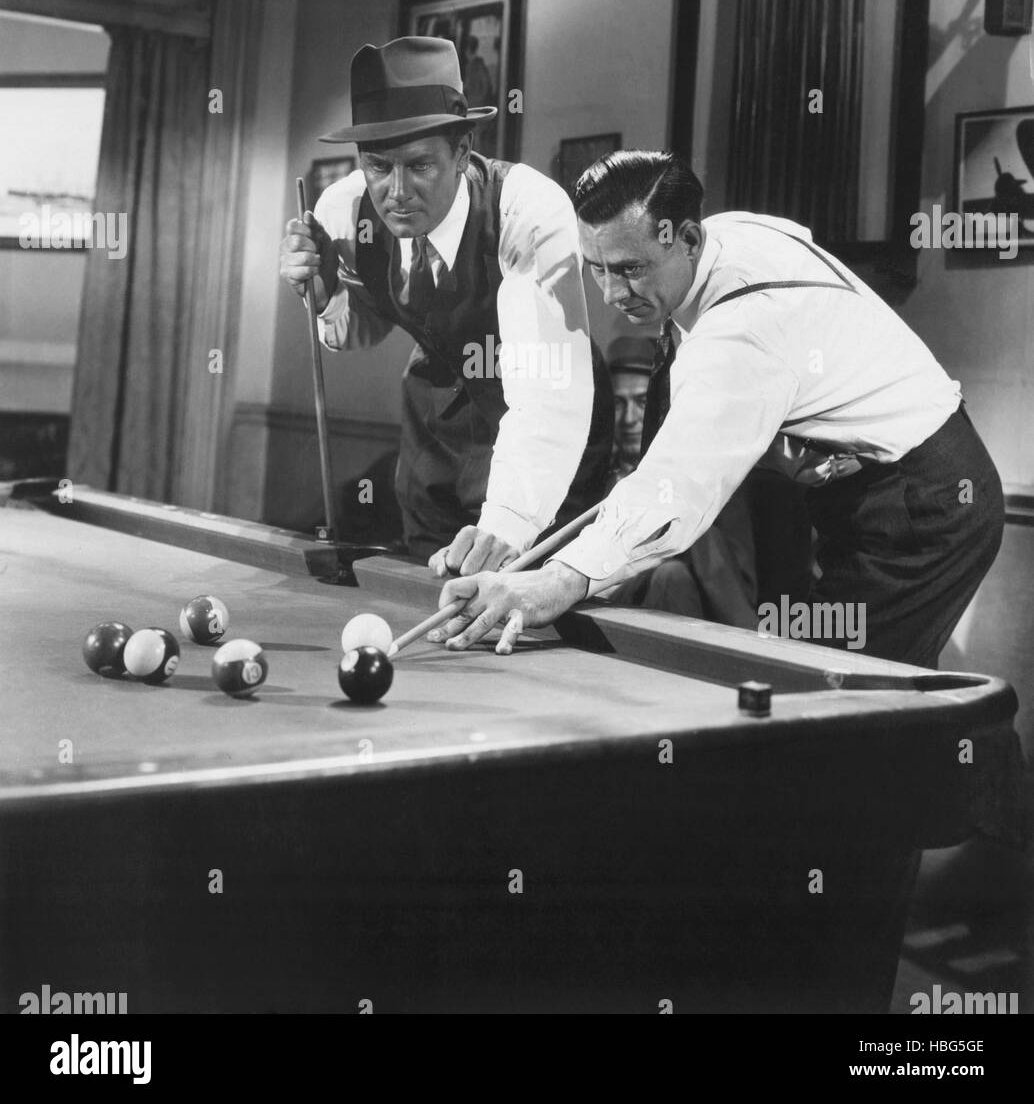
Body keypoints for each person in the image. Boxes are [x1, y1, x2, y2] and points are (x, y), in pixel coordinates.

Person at [433, 149, 1005, 667]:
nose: (610, 294)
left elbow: (673, 489)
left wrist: (552, 584)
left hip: (925, 500)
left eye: (631, 269)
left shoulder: (739, 335)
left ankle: (991, 774)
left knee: (840, 703)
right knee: (835, 694)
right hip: (865, 489)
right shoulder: (728, 232)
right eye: (597, 267)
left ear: (686, 239)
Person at [279, 36, 612, 572]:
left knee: (527, 595)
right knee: (427, 580)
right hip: (435, 418)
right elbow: (362, 326)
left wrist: (506, 522)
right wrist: (325, 297)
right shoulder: (344, 211)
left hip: (549, 422)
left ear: (461, 151)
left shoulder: (527, 209)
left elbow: (548, 385)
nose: (397, 191)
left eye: (419, 166)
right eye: (379, 166)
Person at [603, 335, 757, 627]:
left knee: (672, 576)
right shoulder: (598, 480)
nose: (630, 418)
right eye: (619, 404)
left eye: (641, 402)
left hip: (698, 609)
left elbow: (738, 586)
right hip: (610, 604)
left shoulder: (712, 479)